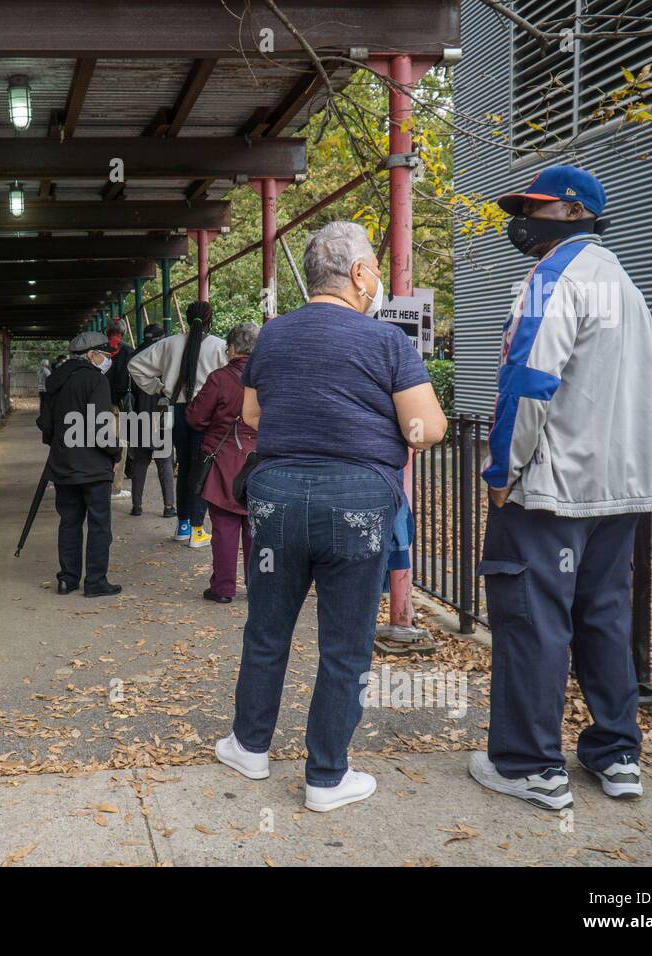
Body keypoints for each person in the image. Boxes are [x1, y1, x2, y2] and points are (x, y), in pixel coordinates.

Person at [215, 221, 446, 813]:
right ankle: (325, 776)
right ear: (361, 274)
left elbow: (252, 416)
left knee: (267, 627)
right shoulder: (387, 342)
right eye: (372, 272)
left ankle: (250, 746)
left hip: (277, 498)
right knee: (344, 645)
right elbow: (428, 428)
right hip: (359, 502)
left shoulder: (272, 336)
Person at [469, 165, 652, 810]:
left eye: (530, 207)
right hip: (623, 491)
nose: (517, 220)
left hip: (552, 490)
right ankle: (617, 756)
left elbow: (529, 381)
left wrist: (502, 472)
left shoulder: (552, 276)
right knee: (605, 618)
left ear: (569, 211)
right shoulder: (625, 285)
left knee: (533, 620)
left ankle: (531, 766)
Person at [127, 301, 227, 549]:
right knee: (201, 471)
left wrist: (160, 388)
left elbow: (135, 366)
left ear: (187, 317)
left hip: (176, 411)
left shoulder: (168, 344)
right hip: (207, 413)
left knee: (183, 467)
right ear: (209, 320)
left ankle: (182, 526)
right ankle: (197, 530)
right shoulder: (219, 347)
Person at [36, 331, 123, 598]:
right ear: (91, 355)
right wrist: (115, 452)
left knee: (69, 522)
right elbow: (100, 427)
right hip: (94, 467)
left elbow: (46, 426)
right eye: (105, 355)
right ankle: (96, 582)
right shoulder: (95, 380)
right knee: (99, 525)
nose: (107, 360)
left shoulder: (54, 381)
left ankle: (67, 580)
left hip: (63, 464)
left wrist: (62, 446)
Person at [186, 322, 259, 603]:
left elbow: (195, 418)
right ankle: (258, 587)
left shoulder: (219, 378)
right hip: (261, 459)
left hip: (225, 458)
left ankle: (224, 588)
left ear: (231, 348)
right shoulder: (269, 377)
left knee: (224, 526)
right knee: (257, 526)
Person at [126, 325, 175, 517]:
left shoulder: (134, 356)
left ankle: (136, 506)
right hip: (162, 414)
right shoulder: (164, 356)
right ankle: (168, 507)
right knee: (165, 461)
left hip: (138, 415)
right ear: (161, 338)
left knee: (140, 461)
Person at [103, 322, 135, 502]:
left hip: (98, 403)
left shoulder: (100, 350)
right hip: (120, 405)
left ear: (107, 332)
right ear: (123, 333)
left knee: (101, 442)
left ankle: (101, 482)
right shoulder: (129, 352)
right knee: (120, 443)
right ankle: (115, 488)